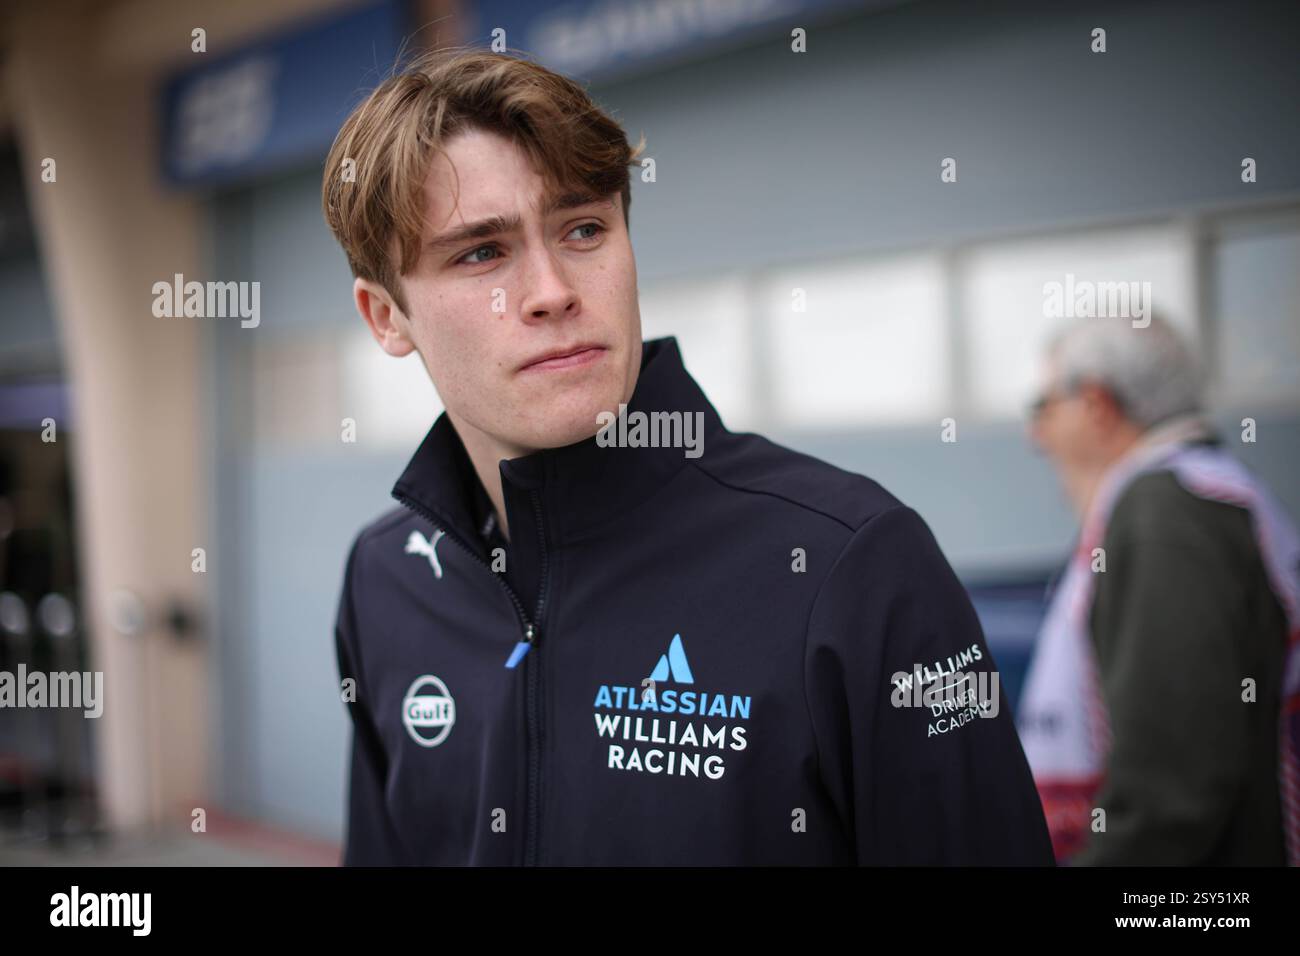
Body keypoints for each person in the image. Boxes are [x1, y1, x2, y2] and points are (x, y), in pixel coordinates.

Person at [321, 46, 1052, 866]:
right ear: (386, 317)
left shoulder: (854, 560)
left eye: (584, 228)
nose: (553, 289)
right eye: (482, 253)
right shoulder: (386, 578)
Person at [1019, 314, 1300, 865]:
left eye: (1044, 407)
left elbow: (1170, 792)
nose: (1036, 436)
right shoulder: (1203, 493)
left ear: (1097, 403)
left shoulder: (1164, 518)